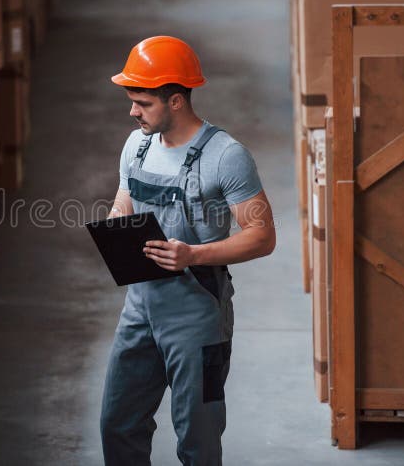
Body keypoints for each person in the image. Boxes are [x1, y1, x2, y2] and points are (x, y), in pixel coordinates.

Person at [100, 35, 277, 465]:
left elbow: (262, 235)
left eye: (142, 102)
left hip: (199, 313)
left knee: (197, 438)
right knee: (117, 424)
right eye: (131, 100)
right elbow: (125, 196)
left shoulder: (226, 157)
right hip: (140, 306)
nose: (132, 111)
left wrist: (192, 255)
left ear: (176, 100)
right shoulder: (136, 144)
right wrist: (114, 221)